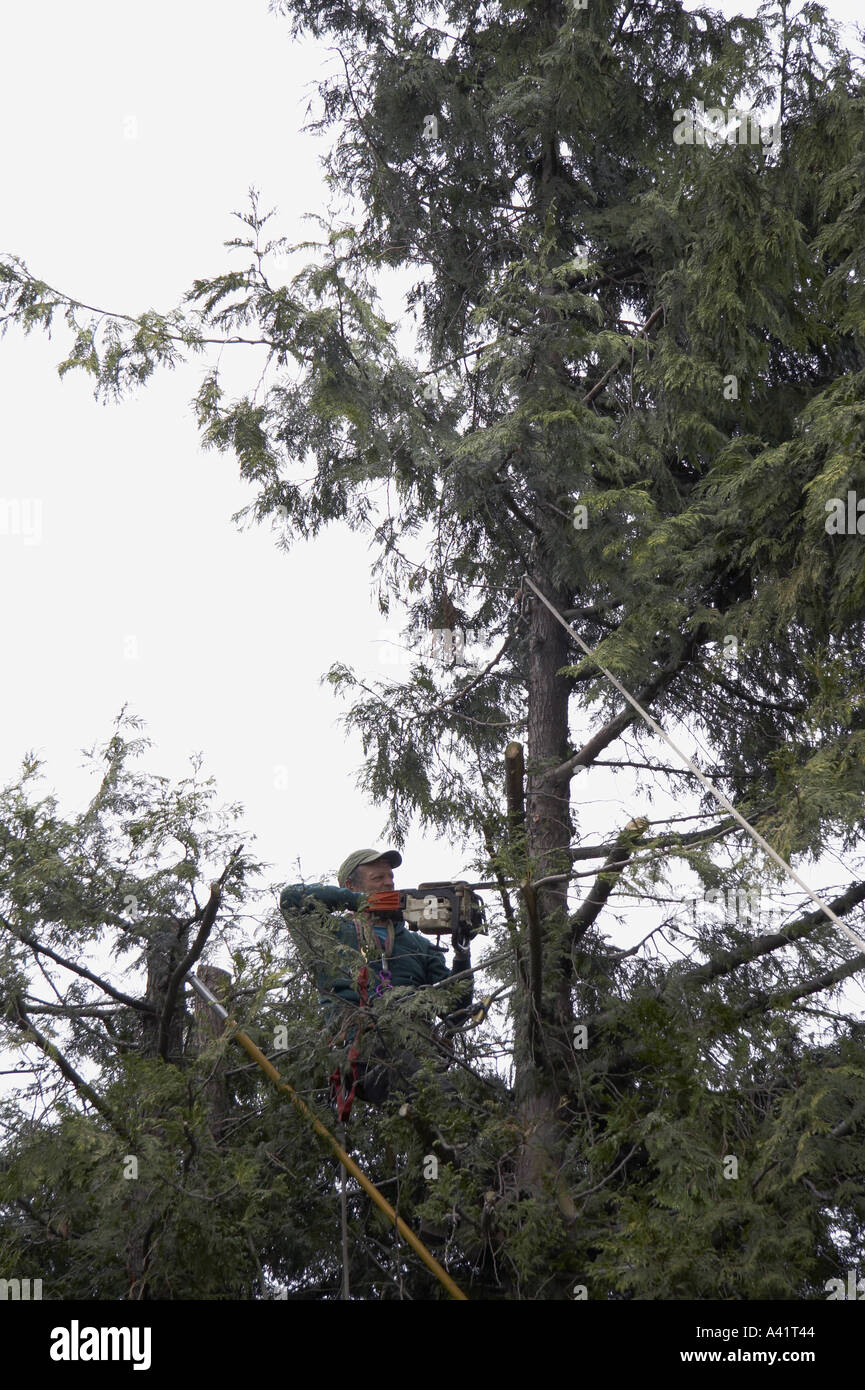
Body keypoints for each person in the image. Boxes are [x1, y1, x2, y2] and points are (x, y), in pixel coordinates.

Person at [279, 848, 473, 1110]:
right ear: (351, 885)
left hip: (416, 1050)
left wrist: (462, 951)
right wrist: (357, 901)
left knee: (446, 1094)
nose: (389, 884)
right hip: (363, 1050)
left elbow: (456, 1010)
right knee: (443, 1100)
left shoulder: (418, 944)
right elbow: (290, 899)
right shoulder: (331, 934)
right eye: (377, 878)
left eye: (391, 878)